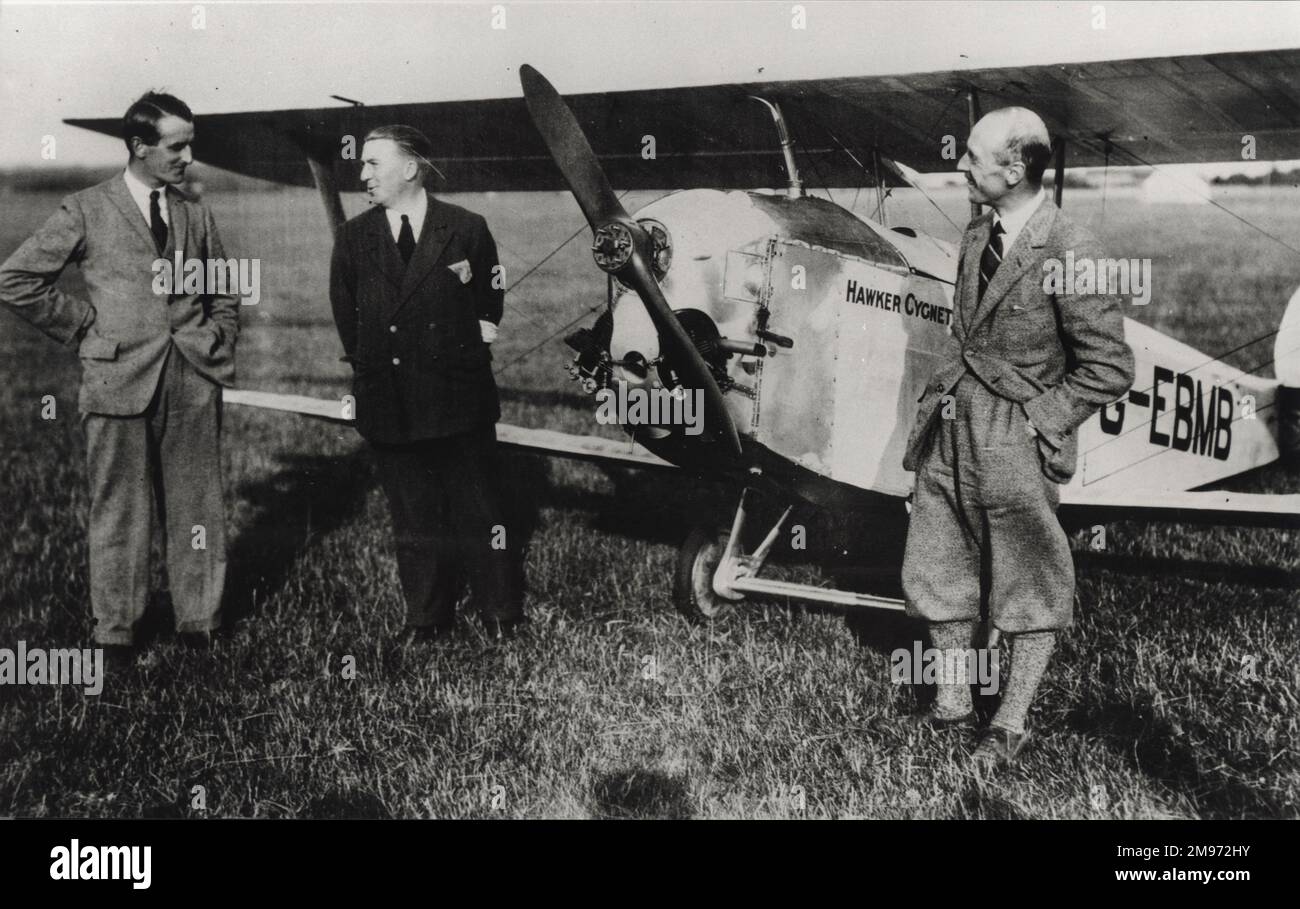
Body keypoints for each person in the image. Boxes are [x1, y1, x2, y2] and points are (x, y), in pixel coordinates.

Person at [900, 107, 1134, 771]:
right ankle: (950, 703)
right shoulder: (979, 233)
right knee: (937, 559)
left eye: (973, 156)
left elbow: (1110, 366)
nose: (961, 165)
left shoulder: (1071, 248)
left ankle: (1009, 719)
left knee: (1029, 576)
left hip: (1016, 434)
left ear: (1013, 167)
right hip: (953, 425)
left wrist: (1041, 420)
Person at [0, 92, 239, 660]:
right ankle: (116, 632)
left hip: (191, 382)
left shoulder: (194, 213)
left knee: (197, 506)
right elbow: (15, 279)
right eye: (176, 145)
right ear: (138, 147)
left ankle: (199, 620)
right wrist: (85, 326)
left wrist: (216, 339)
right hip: (116, 381)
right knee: (119, 509)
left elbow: (224, 291)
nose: (187, 156)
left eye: (190, 144)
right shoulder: (86, 208)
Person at [329, 124, 524, 642]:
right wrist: (374, 370)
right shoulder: (353, 238)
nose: (362, 173)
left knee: (481, 510)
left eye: (373, 164)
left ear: (410, 169)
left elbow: (490, 295)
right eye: (362, 164)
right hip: (390, 401)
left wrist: (470, 345)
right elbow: (348, 318)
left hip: (459, 399)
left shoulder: (467, 228)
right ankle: (426, 617)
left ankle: (500, 612)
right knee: (413, 519)